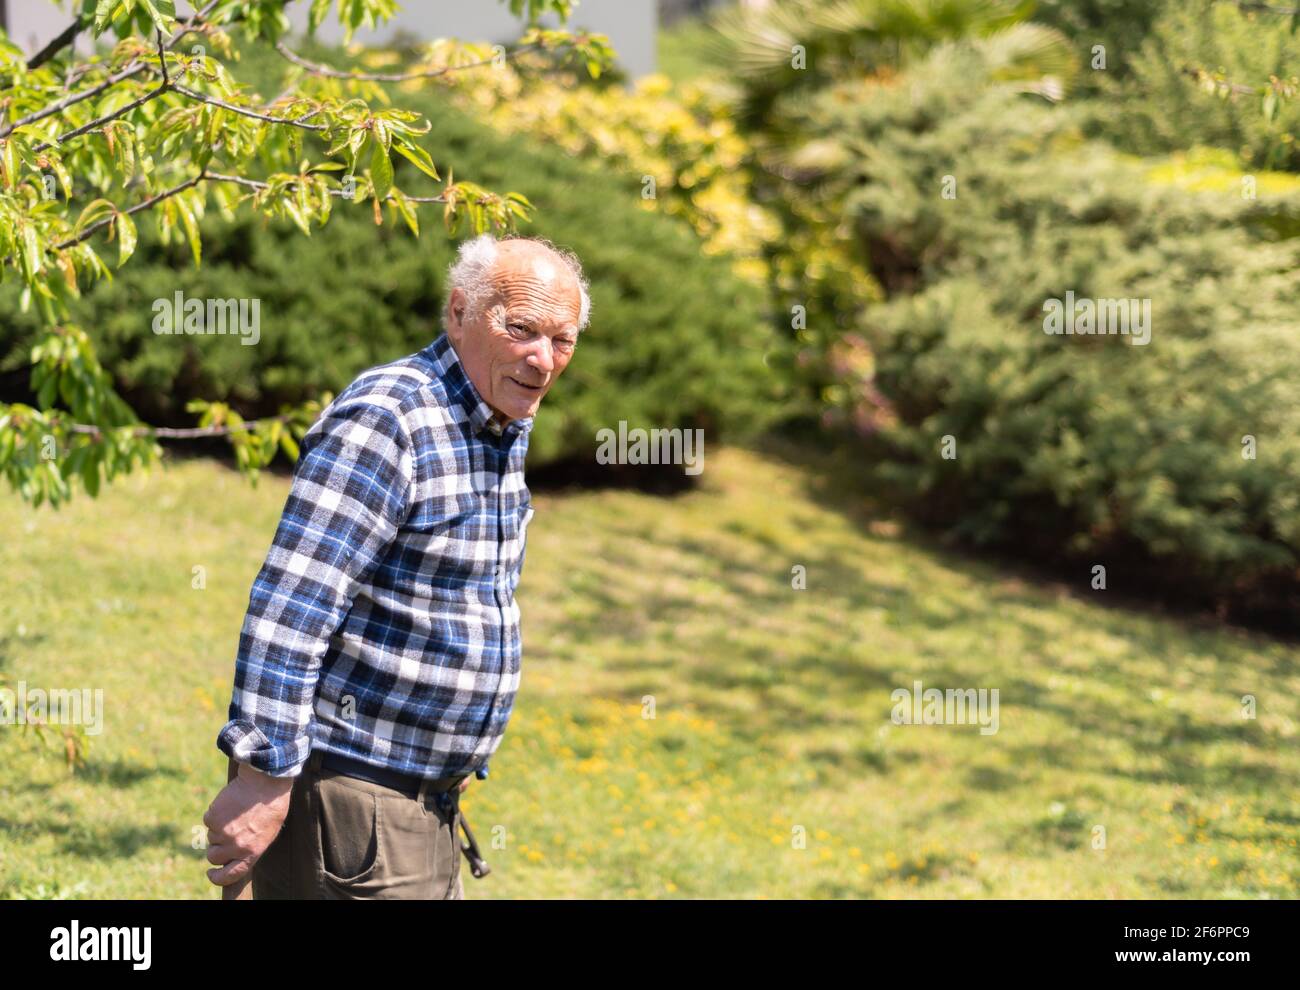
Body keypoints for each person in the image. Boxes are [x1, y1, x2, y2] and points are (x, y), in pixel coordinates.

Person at [202, 234, 590, 899]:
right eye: (522, 329)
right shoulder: (392, 419)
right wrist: (261, 776)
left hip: (420, 797)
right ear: (459, 313)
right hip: (357, 796)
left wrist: (456, 754)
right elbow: (295, 602)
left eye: (563, 340)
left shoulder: (496, 422)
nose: (542, 359)